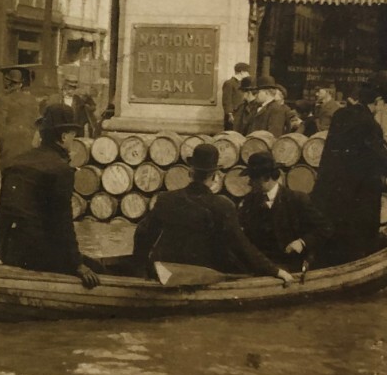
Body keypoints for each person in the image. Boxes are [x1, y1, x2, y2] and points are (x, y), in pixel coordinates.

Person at [133, 144, 292, 283]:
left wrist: (140, 269)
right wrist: (276, 271)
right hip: (202, 276)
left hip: (165, 273)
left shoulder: (166, 199)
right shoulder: (222, 206)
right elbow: (242, 247)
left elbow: (142, 232)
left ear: (191, 172)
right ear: (215, 176)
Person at [310, 78, 387, 267]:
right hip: (357, 199)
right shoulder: (369, 125)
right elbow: (385, 163)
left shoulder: (340, 115)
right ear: (377, 102)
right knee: (355, 252)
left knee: (330, 249)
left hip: (330, 195)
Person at [0, 103, 100, 287]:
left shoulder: (16, 162)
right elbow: (62, 223)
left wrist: (1, 249)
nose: (74, 140)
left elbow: (1, 212)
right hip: (39, 256)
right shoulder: (61, 170)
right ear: (64, 136)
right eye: (73, 136)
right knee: (98, 269)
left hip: (9, 250)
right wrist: (77, 265)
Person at [239, 151, 330, 266]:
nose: (249, 183)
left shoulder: (296, 199)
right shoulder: (249, 202)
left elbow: (325, 228)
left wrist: (302, 242)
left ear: (267, 178)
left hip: (290, 264)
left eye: (253, 178)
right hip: (261, 265)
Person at [0, 66, 42, 168]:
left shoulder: (3, 100)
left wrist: (1, 145)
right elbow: (37, 123)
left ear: (8, 83)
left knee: (9, 176)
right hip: (28, 145)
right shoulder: (32, 100)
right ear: (21, 84)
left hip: (9, 146)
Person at [221, 62, 250, 130]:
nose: (248, 75)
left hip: (241, 115)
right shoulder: (229, 83)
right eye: (247, 72)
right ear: (242, 72)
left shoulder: (243, 83)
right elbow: (227, 100)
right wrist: (230, 114)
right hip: (233, 116)